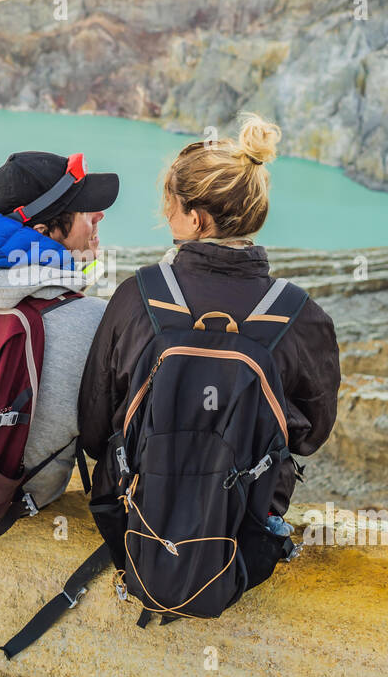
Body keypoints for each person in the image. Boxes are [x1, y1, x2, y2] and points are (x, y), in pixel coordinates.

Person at [77, 114, 340, 556]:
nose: (165, 213)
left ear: (196, 220)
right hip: (242, 527)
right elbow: (310, 436)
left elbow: (93, 428)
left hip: (133, 516)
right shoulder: (301, 314)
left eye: (171, 204)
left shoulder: (136, 296)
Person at [0, 150, 118, 509]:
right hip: (18, 498)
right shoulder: (92, 319)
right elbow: (98, 440)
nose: (99, 216)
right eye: (85, 212)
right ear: (43, 232)